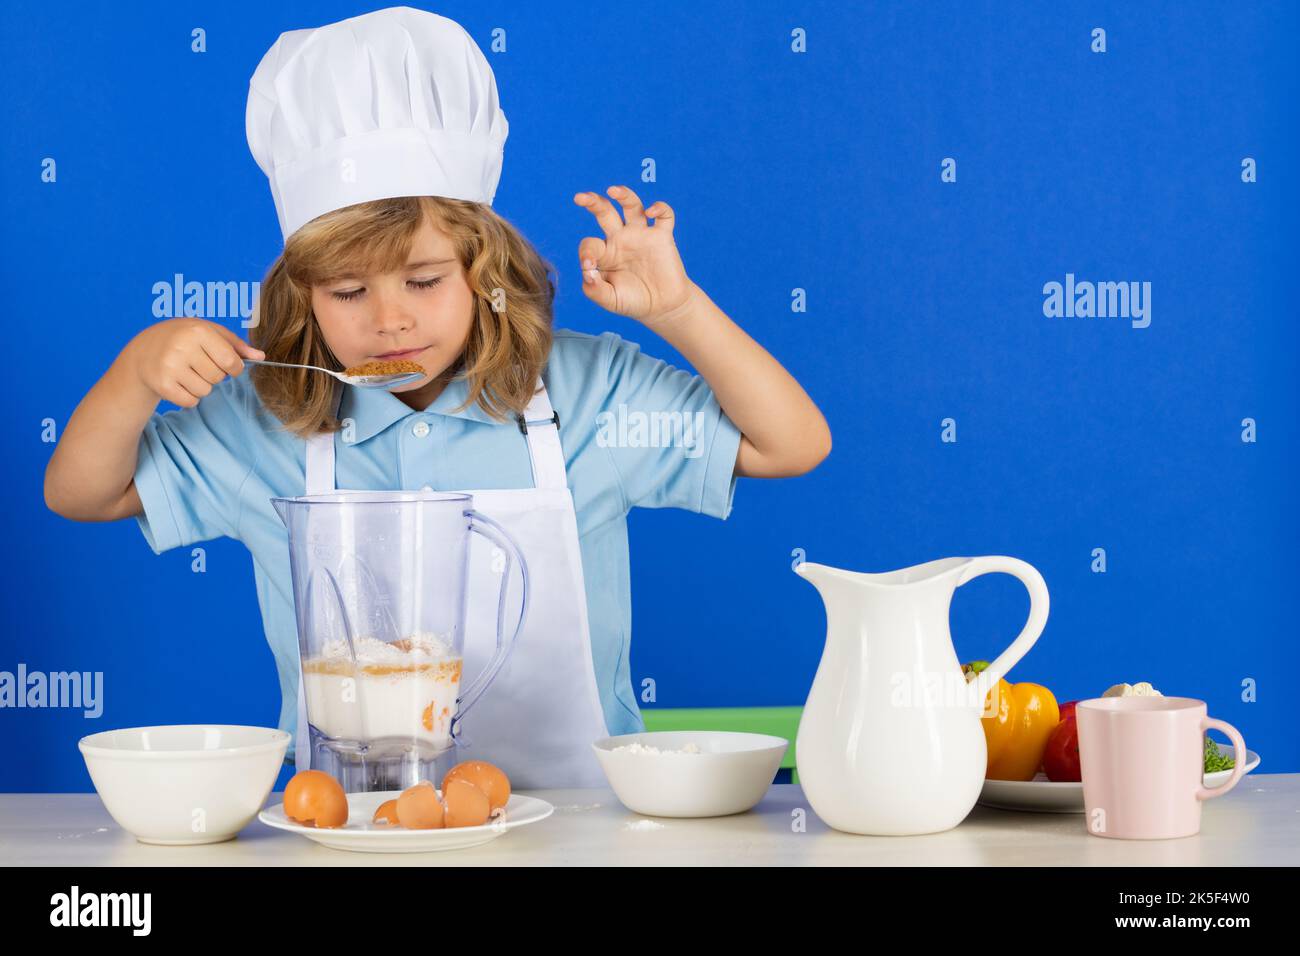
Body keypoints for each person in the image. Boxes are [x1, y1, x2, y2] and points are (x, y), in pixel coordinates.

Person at [43, 7, 831, 789]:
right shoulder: (270, 419)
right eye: (349, 291)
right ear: (303, 296)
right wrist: (134, 376)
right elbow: (83, 493)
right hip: (346, 826)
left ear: (483, 267)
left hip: (585, 830)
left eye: (424, 281)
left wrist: (678, 311)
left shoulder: (589, 395)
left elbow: (792, 443)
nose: (391, 321)